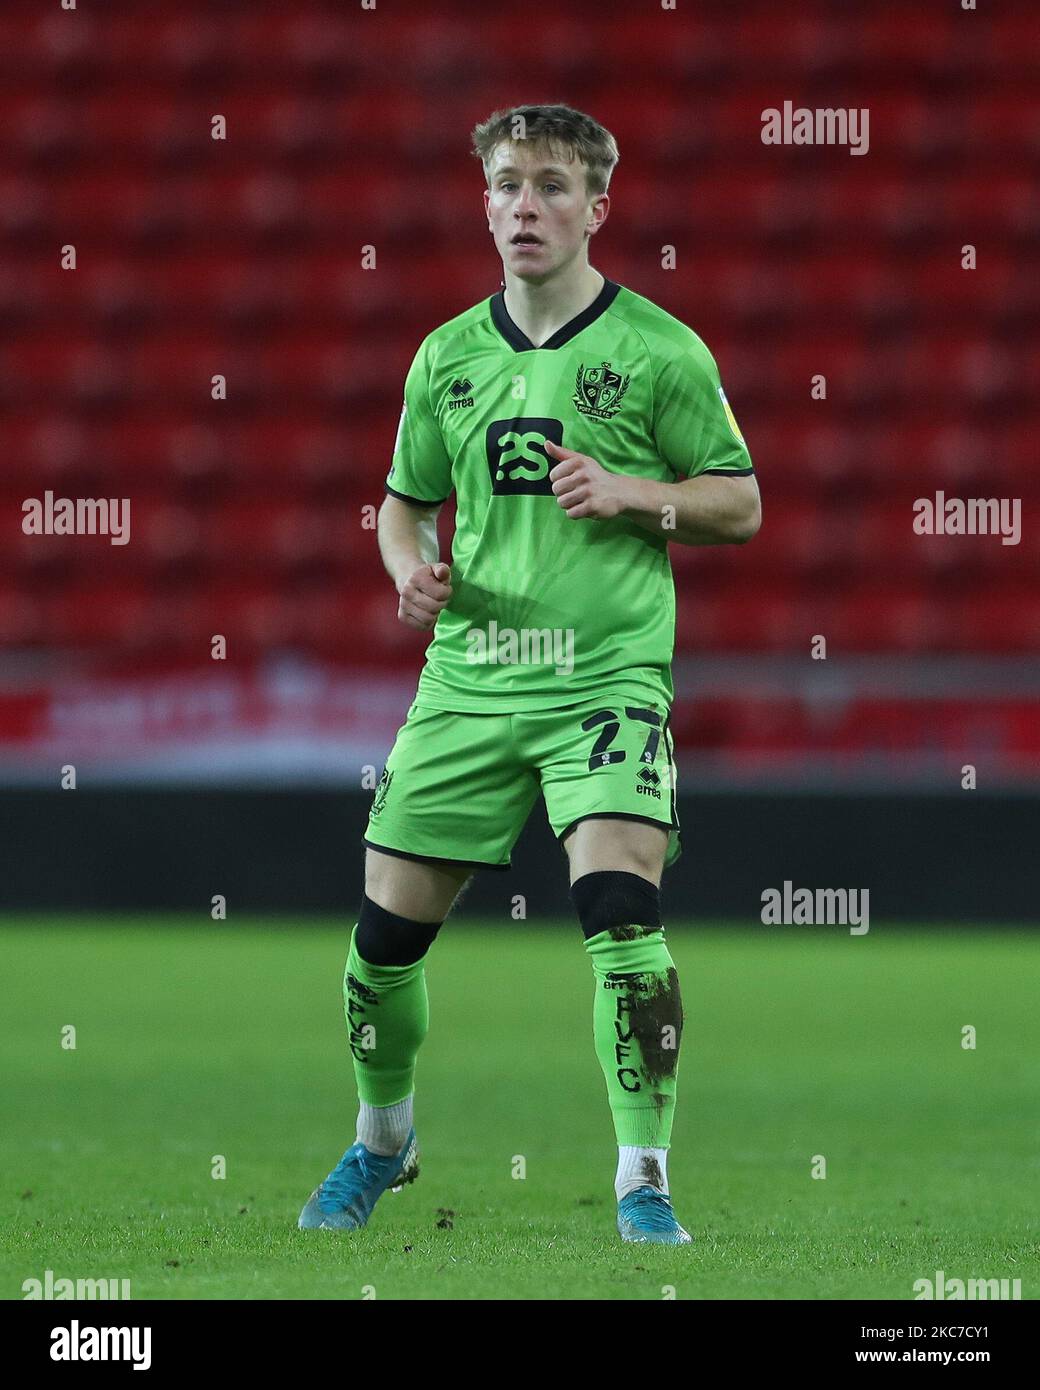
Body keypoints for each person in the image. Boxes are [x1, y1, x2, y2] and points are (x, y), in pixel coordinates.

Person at [299, 103, 760, 1244]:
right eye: (507, 184)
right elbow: (402, 508)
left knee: (620, 914)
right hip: (469, 680)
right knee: (379, 951)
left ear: (596, 208)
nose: (524, 207)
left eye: (552, 187)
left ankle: (641, 1177)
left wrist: (632, 492)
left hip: (604, 680)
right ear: (484, 201)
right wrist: (408, 572)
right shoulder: (445, 355)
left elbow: (738, 502)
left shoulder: (660, 351)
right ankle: (381, 1141)